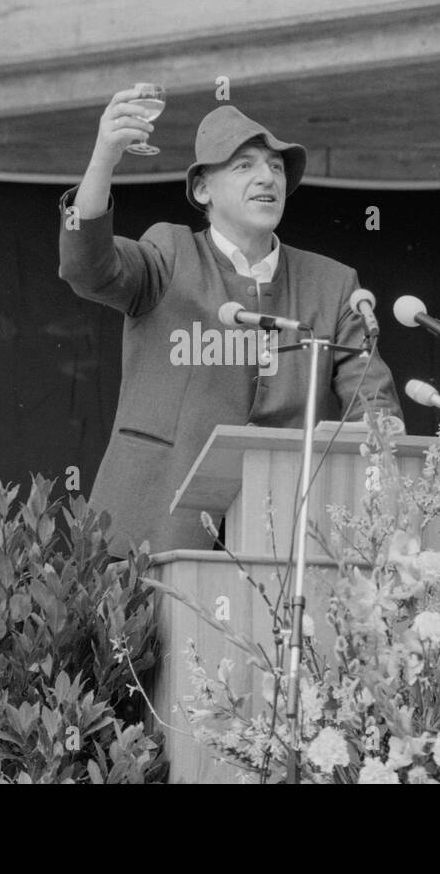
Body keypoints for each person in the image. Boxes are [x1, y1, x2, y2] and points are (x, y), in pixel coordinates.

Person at [58, 91, 401, 555]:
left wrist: (379, 458)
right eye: (244, 166)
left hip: (285, 536)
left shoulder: (333, 283)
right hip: (155, 528)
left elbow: (374, 403)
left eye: (276, 167)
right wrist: (105, 156)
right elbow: (88, 268)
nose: (267, 178)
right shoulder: (169, 251)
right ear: (203, 189)